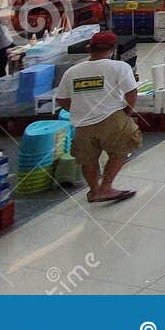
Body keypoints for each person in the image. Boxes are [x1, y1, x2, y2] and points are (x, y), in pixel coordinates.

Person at [53, 31, 140, 204]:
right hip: (111, 117)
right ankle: (106, 187)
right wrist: (128, 111)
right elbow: (132, 91)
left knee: (88, 158)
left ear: (89, 48)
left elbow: (61, 99)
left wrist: (79, 109)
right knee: (123, 148)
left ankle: (94, 191)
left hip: (82, 123)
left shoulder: (72, 71)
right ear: (113, 48)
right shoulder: (119, 66)